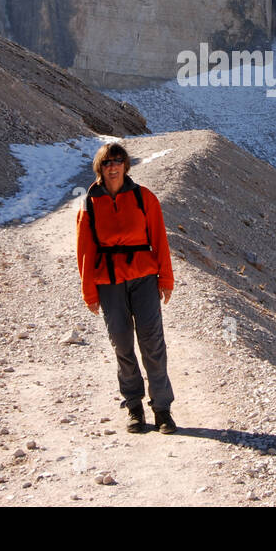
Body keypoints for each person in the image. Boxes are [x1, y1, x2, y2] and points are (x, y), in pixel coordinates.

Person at [76, 142, 177, 434]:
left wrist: (166, 279)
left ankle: (162, 410)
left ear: (126, 165)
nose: (113, 166)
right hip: (108, 282)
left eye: (118, 160)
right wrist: (89, 292)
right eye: (107, 162)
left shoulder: (144, 198)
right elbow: (84, 252)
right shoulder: (89, 204)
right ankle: (134, 407)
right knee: (122, 345)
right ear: (100, 167)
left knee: (152, 342)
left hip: (144, 278)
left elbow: (159, 239)